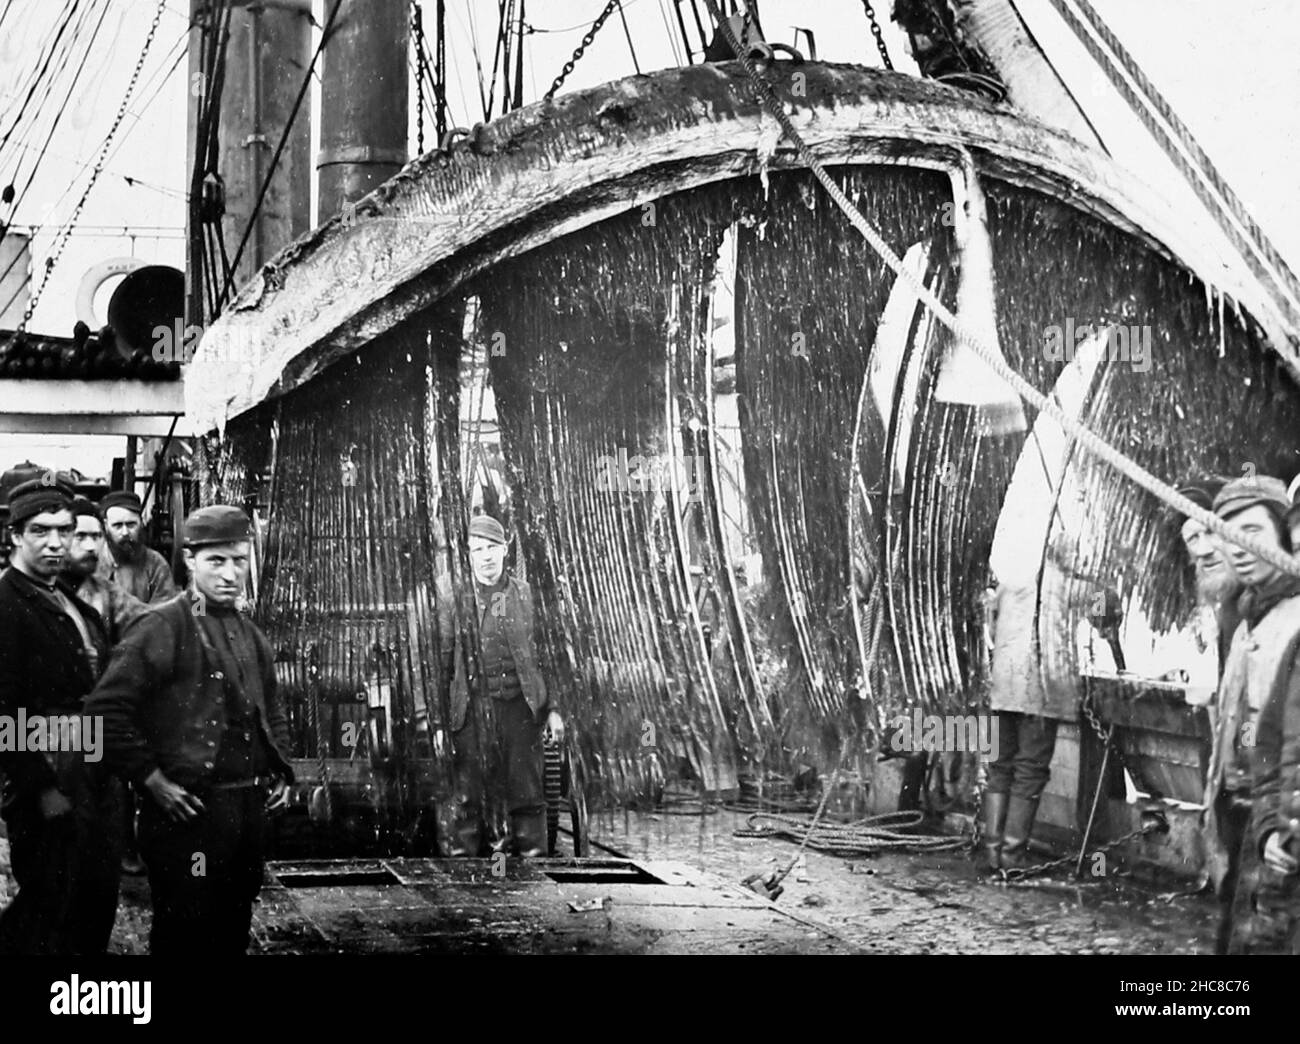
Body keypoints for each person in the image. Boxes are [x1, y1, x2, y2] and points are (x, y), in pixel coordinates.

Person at [84, 505, 293, 954]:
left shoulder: (249, 632)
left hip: (245, 814)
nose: (230, 574)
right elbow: (104, 711)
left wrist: (282, 767)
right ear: (189, 561)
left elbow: (270, 705)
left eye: (239, 560)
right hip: (190, 818)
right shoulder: (163, 625)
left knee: (233, 922)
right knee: (186, 930)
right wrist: (152, 780)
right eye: (216, 561)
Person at [0, 479, 119, 955]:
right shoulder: (7, 604)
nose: (55, 543)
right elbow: (3, 712)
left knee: (93, 898)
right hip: (50, 779)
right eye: (40, 531)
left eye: (64, 530)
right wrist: (41, 787)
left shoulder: (68, 598)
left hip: (90, 772)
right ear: (14, 536)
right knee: (49, 905)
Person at [1203, 476, 1300, 953]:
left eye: (1253, 532)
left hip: (1280, 826)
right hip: (1240, 811)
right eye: (1228, 532)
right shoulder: (1243, 614)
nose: (1237, 546)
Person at [429, 514, 562, 857]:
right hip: (471, 714)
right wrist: (440, 725)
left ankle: (532, 878)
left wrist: (554, 711)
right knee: (467, 799)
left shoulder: (526, 595)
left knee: (527, 796)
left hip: (519, 711)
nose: (486, 556)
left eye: (492, 548)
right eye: (478, 550)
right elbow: (440, 665)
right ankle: (466, 882)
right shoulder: (451, 597)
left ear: (506, 550)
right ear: (469, 555)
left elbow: (548, 657)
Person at [63, 496, 144, 645]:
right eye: (80, 536)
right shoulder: (40, 590)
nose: (91, 547)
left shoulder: (106, 591)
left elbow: (146, 619)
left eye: (96, 536)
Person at [96, 490, 176, 605]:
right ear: (105, 526)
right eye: (117, 526)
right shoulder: (94, 561)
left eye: (131, 525)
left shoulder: (155, 564)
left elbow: (163, 612)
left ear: (141, 523)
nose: (125, 532)